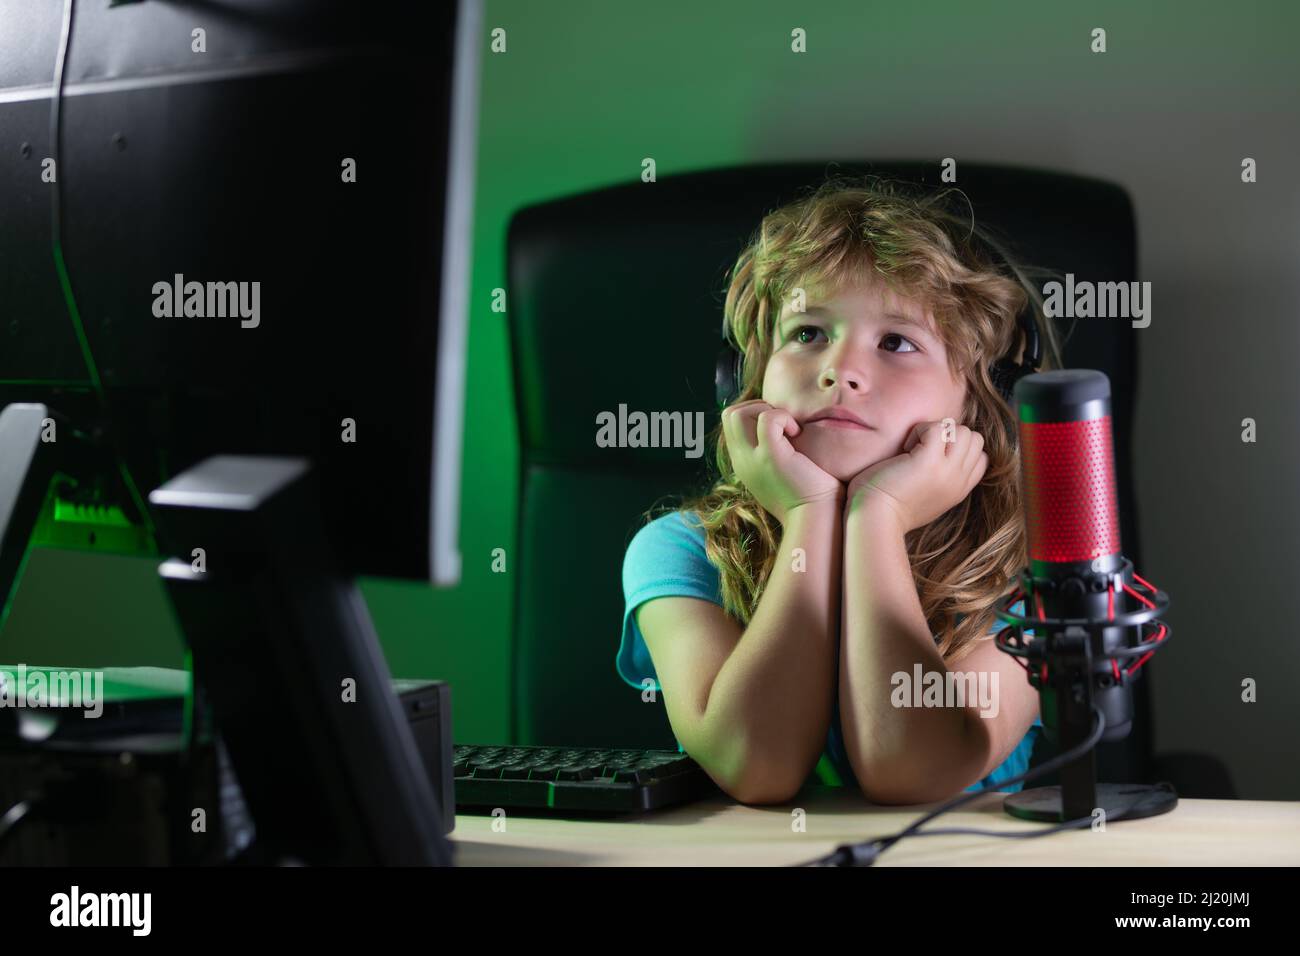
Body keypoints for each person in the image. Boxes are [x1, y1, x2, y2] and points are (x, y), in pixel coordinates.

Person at [617, 176, 1064, 805]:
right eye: (808, 334)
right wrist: (812, 513)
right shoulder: (680, 552)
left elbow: (912, 768)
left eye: (897, 342)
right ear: (744, 381)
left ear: (982, 398)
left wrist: (875, 519)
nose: (840, 370)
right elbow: (755, 765)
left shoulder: (1031, 574)